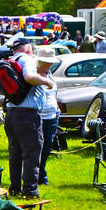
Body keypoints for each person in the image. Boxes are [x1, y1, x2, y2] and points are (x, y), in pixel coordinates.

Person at [4, 35, 56, 199]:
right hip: (27, 115)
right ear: (28, 48)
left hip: (11, 112)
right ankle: (30, 191)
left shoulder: (11, 60)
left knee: (15, 153)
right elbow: (29, 77)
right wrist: (46, 82)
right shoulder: (27, 59)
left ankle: (15, 188)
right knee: (32, 152)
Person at [34, 46, 59, 186]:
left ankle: (40, 173)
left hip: (52, 116)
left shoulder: (49, 74)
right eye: (46, 62)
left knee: (47, 146)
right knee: (37, 147)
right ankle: (39, 176)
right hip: (39, 116)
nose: (49, 65)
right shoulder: (33, 75)